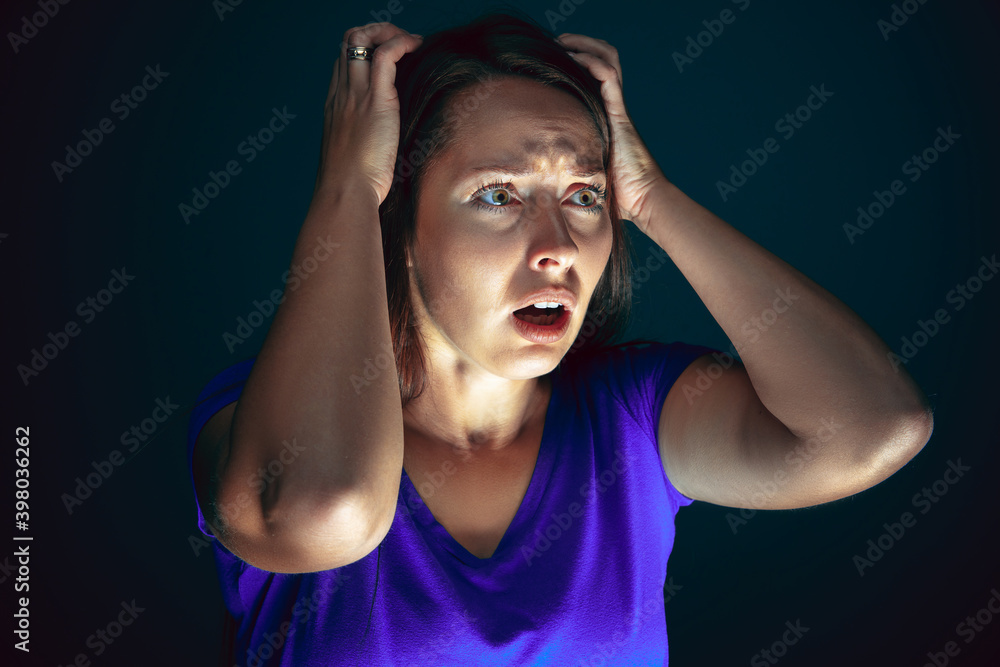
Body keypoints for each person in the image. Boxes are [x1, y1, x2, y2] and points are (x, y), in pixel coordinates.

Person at [187, 10, 934, 666]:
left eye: (583, 196)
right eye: (497, 195)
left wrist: (651, 197)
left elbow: (875, 425)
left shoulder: (634, 416)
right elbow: (321, 510)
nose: (559, 246)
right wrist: (347, 186)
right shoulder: (268, 415)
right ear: (403, 226)